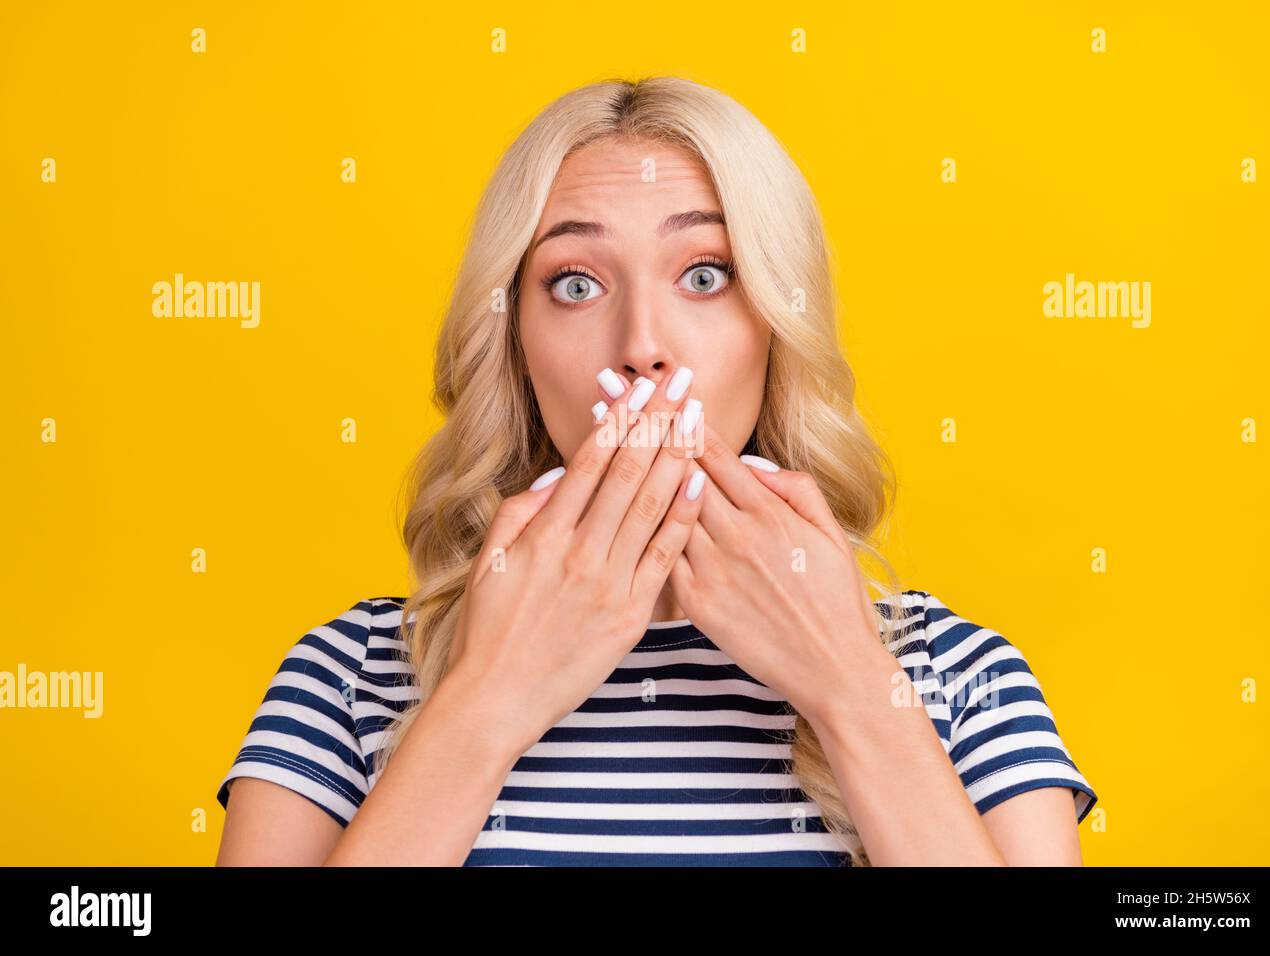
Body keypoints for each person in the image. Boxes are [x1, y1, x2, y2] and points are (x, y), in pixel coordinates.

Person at [215, 75, 1097, 866]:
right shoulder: (349, 676)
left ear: (777, 328)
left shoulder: (959, 677)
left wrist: (850, 689)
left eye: (705, 275)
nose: (642, 347)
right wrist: (485, 700)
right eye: (575, 284)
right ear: (515, 343)